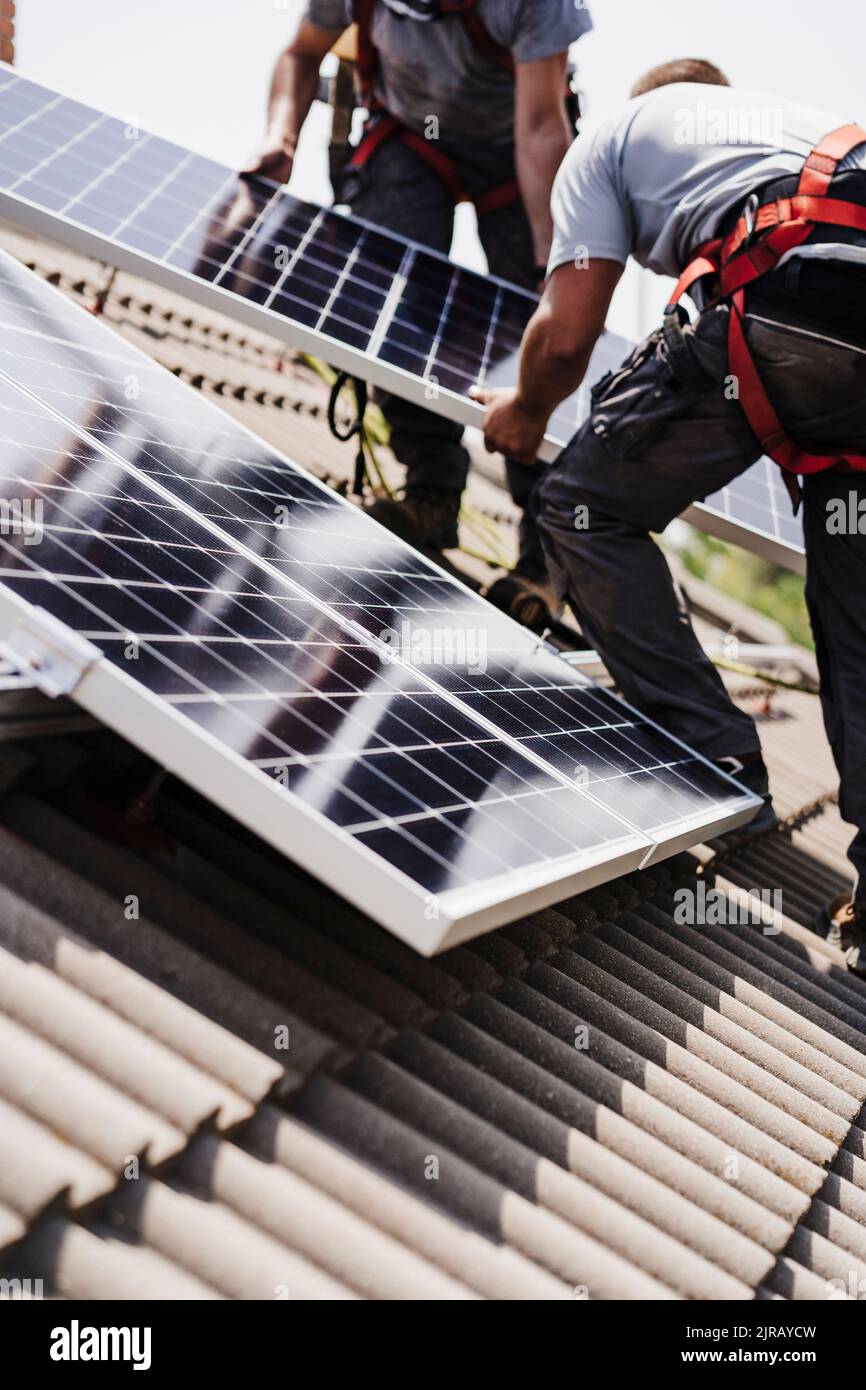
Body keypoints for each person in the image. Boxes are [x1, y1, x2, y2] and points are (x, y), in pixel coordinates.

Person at [473, 59, 866, 973]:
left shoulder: (607, 141)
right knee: (856, 616)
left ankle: (718, 756)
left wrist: (525, 412)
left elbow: (568, 333)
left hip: (783, 292)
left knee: (582, 505)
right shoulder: (778, 120)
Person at [245, 0, 592, 596]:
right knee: (394, 299)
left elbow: (540, 127)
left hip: (516, 144)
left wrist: (548, 264)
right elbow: (303, 52)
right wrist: (281, 138)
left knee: (531, 331)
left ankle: (544, 554)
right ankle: (431, 492)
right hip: (409, 136)